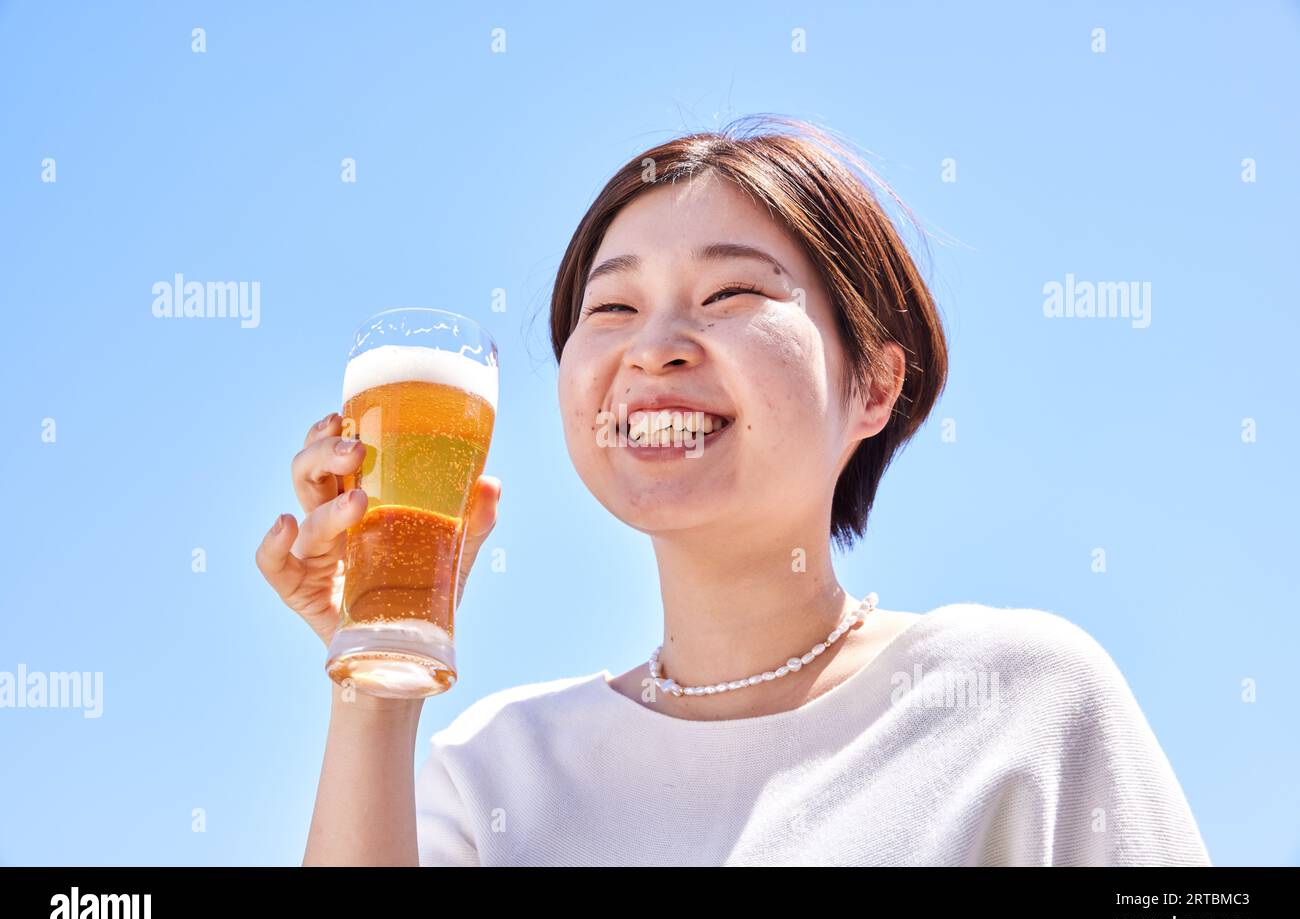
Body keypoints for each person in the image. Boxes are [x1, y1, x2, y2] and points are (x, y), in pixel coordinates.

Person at [256, 114, 1211, 866]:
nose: (654, 346)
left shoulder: (1020, 696)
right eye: (612, 306)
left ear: (874, 385)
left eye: (730, 295)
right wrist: (377, 669)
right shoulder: (497, 768)